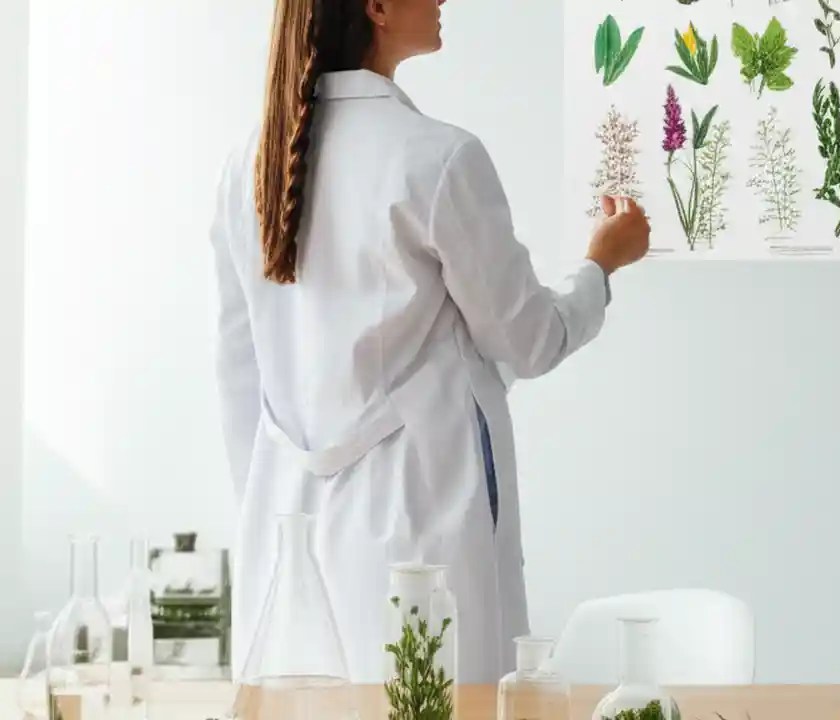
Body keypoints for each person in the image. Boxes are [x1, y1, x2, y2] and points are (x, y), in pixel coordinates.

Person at [209, 0, 650, 684]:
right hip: (419, 540)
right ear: (377, 7)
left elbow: (239, 375)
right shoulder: (438, 159)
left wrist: (268, 506)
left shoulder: (246, 168)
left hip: (284, 539)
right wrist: (599, 268)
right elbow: (529, 340)